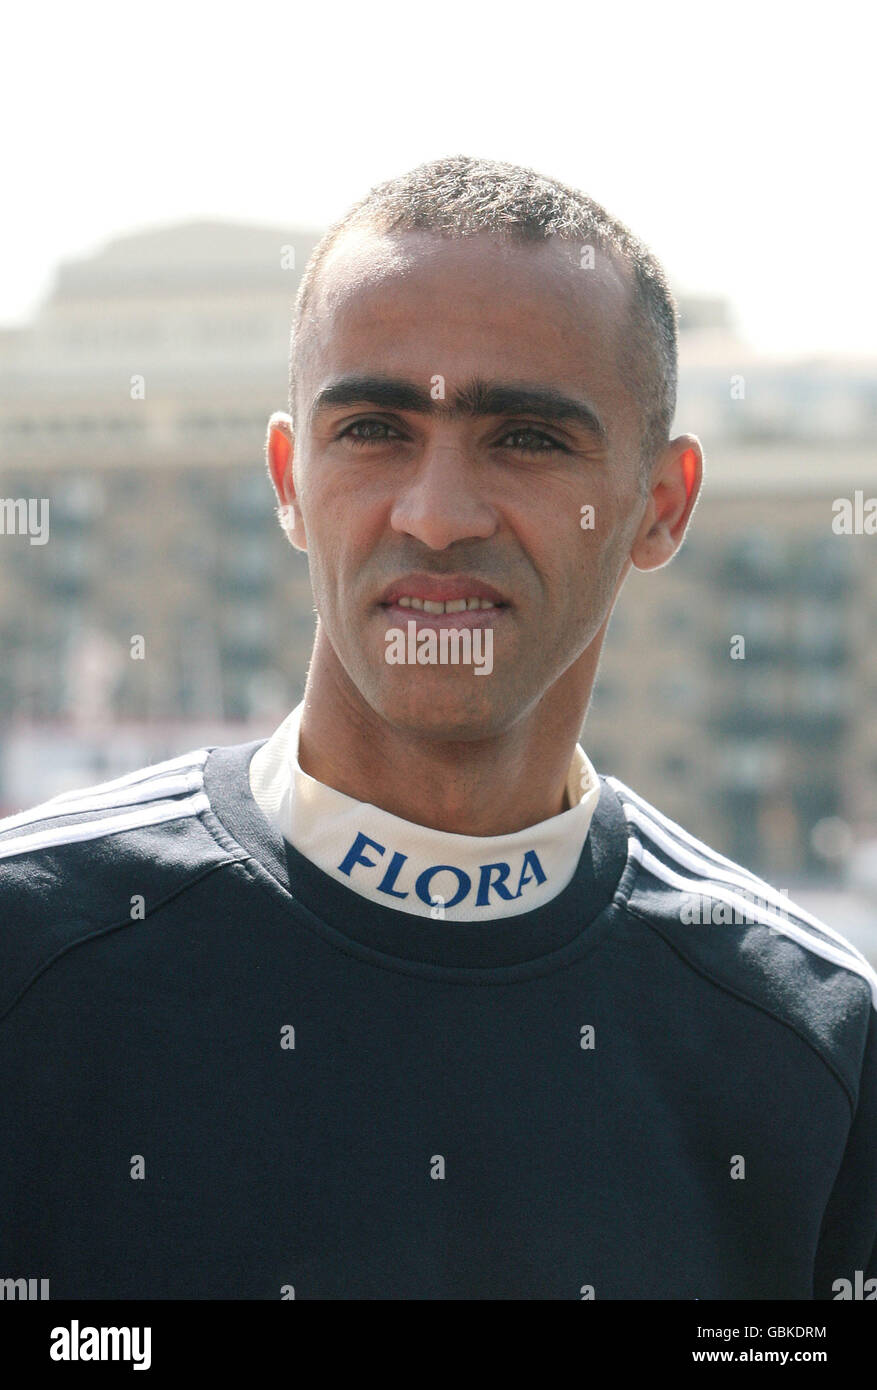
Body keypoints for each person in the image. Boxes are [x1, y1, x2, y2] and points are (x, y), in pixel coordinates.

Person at [1, 156, 874, 1301]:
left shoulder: (806, 1038)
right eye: (373, 427)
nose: (438, 515)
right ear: (288, 478)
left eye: (526, 439)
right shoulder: (31, 953)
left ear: (660, 506)